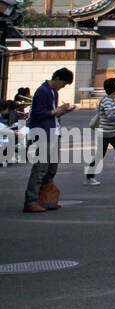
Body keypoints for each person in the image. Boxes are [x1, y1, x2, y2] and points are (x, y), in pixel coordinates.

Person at [22, 68, 77, 213]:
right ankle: (31, 200)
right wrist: (57, 110)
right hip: (44, 133)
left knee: (51, 168)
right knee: (41, 168)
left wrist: (63, 110)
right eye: (63, 83)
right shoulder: (43, 91)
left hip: (53, 132)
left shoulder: (53, 92)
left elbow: (53, 114)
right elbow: (38, 114)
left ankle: (45, 198)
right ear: (57, 78)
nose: (62, 87)